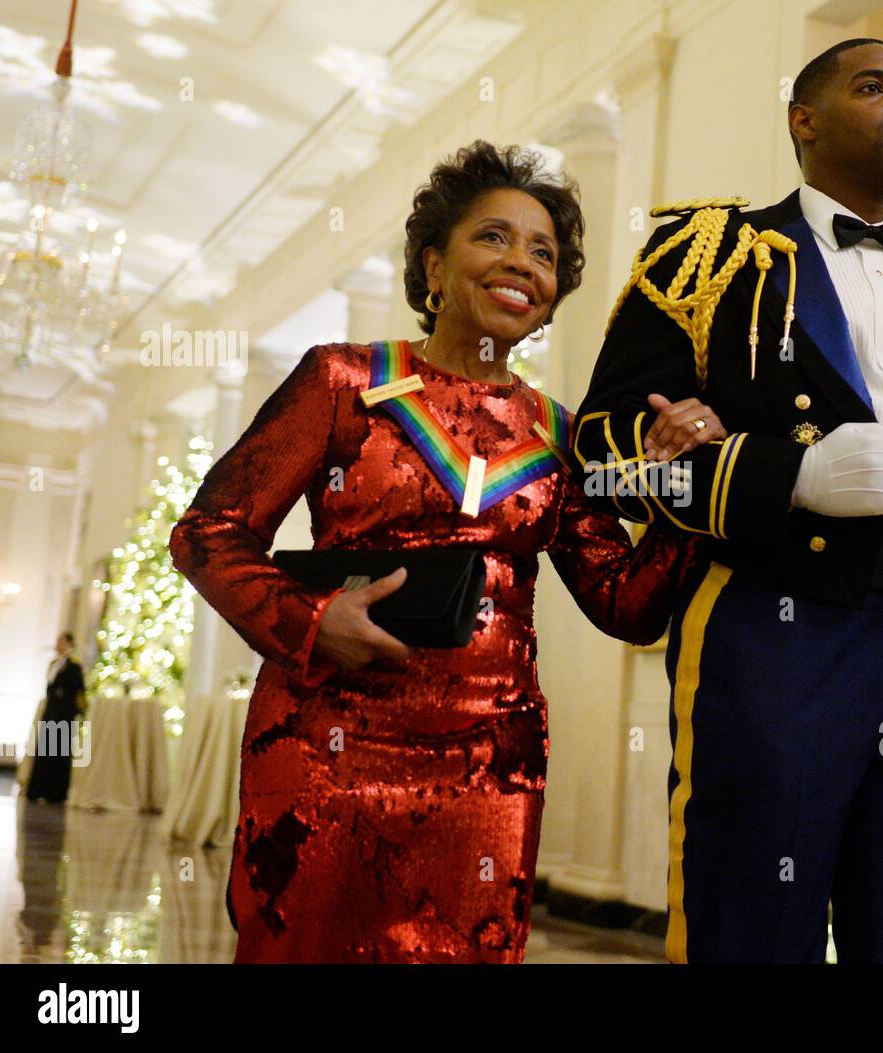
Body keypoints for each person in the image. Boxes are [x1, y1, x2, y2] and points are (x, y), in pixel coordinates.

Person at [169, 140, 723, 963]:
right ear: (433, 265)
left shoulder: (564, 436)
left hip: (489, 771)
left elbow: (625, 603)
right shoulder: (342, 381)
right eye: (493, 237)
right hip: (327, 743)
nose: (522, 264)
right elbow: (208, 531)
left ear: (550, 300)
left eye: (544, 253)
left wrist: (685, 486)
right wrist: (314, 620)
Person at [573, 38, 883, 963]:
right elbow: (603, 457)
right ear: (803, 119)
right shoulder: (706, 255)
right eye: (872, 88)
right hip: (773, 627)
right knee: (751, 915)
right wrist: (785, 477)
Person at [25, 632, 86, 804]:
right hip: (51, 713)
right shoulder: (54, 664)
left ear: (68, 644)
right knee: (45, 750)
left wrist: (75, 711)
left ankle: (56, 793)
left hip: (64, 716)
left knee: (60, 752)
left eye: (61, 641)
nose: (57, 644)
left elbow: (79, 692)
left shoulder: (74, 666)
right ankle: (37, 790)